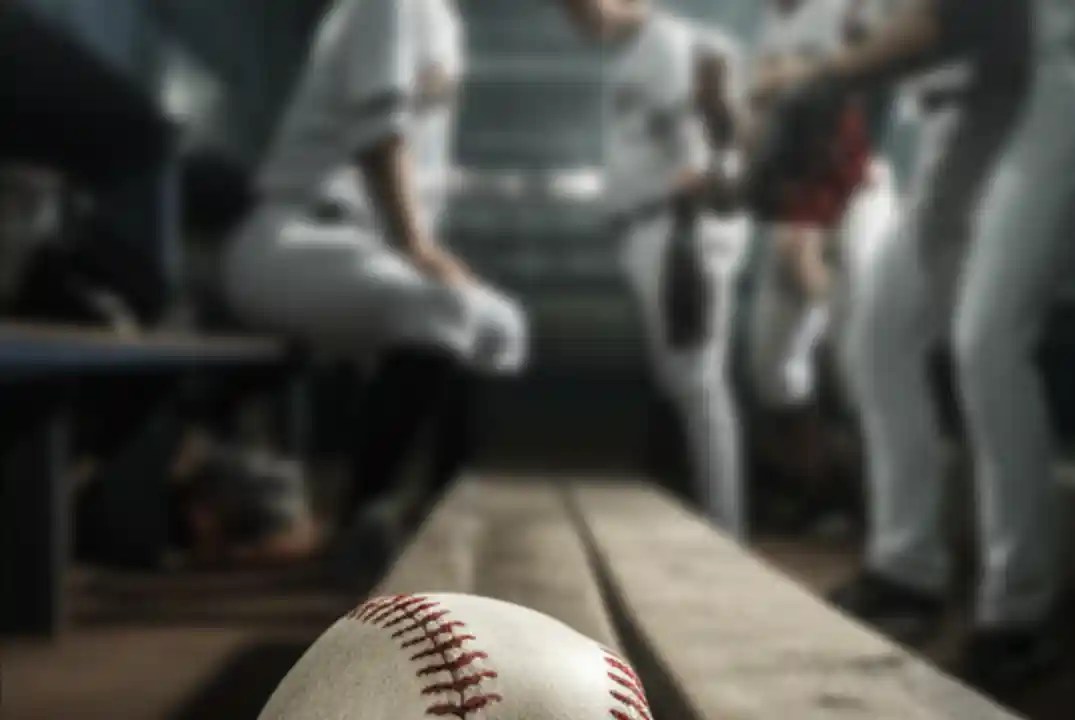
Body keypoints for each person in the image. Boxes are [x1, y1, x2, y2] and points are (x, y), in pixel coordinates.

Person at [763, 0, 1075, 689]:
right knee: (881, 335)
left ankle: (1018, 614)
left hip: (1029, 107)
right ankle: (907, 571)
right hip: (949, 128)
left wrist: (818, 72)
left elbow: (936, 23)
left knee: (989, 345)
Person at [221, 0, 529, 578]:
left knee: (503, 326)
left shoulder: (446, 22)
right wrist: (417, 246)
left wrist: (415, 250)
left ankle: (439, 520)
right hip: (293, 236)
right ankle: (355, 526)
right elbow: (377, 133)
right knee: (440, 308)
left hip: (368, 249)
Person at [555, 0, 752, 539]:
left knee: (699, 382)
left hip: (678, 228)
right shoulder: (636, 51)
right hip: (656, 226)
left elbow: (700, 154)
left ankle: (726, 531)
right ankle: (713, 521)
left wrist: (689, 216)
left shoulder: (665, 45)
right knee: (683, 382)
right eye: (571, 10)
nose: (584, 16)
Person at [745, 0, 900, 525]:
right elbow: (766, 120)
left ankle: (876, 506)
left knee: (860, 350)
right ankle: (822, 482)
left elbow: (877, 81)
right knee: (771, 364)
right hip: (797, 194)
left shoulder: (847, 8)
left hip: (855, 187)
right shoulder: (771, 24)